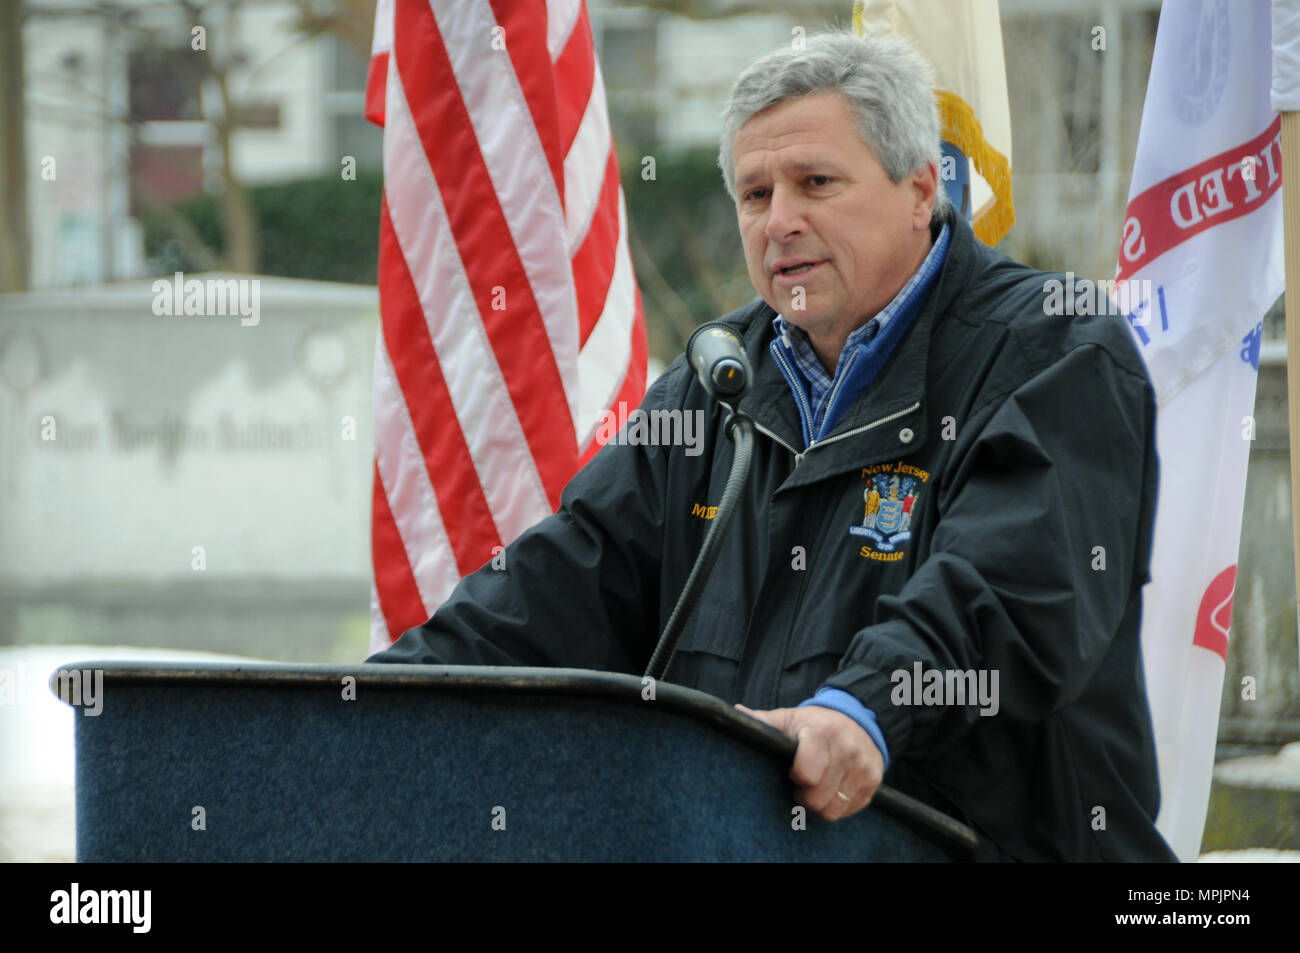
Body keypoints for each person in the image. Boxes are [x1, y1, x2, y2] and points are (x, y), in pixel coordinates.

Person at [369, 28, 1176, 862]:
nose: (781, 220)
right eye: (756, 195)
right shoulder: (718, 378)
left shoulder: (1057, 347)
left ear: (921, 187)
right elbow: (556, 585)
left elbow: (1010, 592)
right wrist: (361, 704)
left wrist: (862, 710)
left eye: (816, 183)